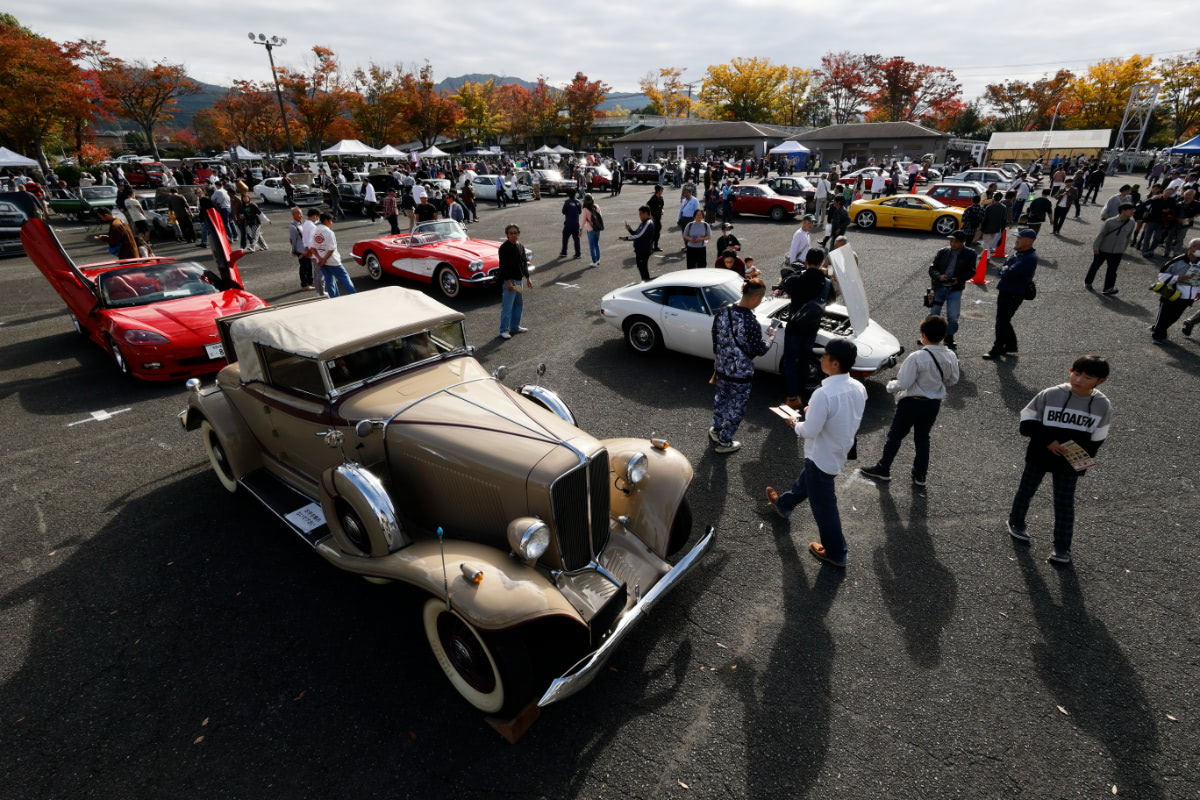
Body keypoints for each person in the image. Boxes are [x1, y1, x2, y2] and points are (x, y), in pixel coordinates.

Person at [765, 338, 867, 569]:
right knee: (806, 482)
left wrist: (794, 423)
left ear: (835, 364)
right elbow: (845, 415)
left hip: (821, 455)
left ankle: (836, 552)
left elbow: (809, 431)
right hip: (837, 450)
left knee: (824, 507)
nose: (821, 358)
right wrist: (814, 413)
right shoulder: (858, 388)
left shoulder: (823, 394)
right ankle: (783, 504)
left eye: (825, 356)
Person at [1006, 355, 1112, 566]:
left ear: (1100, 381)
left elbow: (1098, 438)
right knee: (1027, 489)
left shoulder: (1102, 405)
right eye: (1076, 373)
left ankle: (1062, 547)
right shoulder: (1051, 394)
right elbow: (1026, 421)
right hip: (1041, 452)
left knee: (1064, 503)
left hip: (1071, 459)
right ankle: (1016, 522)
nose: (1079, 380)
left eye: (1087, 377)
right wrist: (1048, 441)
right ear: (1070, 370)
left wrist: (1080, 458)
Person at [860, 316, 960, 486]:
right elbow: (953, 380)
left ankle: (883, 468)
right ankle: (920, 475)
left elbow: (904, 383)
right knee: (922, 438)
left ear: (923, 335)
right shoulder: (950, 355)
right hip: (932, 404)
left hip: (911, 403)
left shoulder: (916, 357)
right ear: (943, 336)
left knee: (895, 436)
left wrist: (890, 385)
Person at [709, 278, 775, 454]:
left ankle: (716, 430)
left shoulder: (723, 310)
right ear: (755, 298)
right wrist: (771, 337)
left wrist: (718, 357)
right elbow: (760, 349)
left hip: (722, 368)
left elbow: (715, 335)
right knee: (736, 407)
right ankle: (724, 442)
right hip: (741, 374)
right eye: (760, 300)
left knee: (721, 399)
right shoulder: (750, 321)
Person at [775, 247, 832, 408]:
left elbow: (782, 287)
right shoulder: (826, 283)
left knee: (790, 361)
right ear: (821, 263)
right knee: (805, 360)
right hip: (812, 327)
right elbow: (830, 300)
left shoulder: (796, 279)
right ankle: (801, 392)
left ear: (806, 261)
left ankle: (792, 396)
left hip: (794, 326)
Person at [983, 228, 1039, 360]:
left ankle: (997, 349)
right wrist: (1005, 269)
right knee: (1003, 320)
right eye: (1017, 237)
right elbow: (1001, 268)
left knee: (1002, 321)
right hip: (1007, 290)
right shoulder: (1018, 254)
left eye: (1020, 238)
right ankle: (1010, 345)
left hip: (1013, 293)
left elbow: (1008, 272)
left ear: (1030, 241)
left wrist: (1005, 269)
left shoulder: (1029, 258)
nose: (1017, 240)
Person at [927, 231, 974, 349]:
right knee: (933, 313)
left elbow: (971, 271)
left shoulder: (970, 254)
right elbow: (932, 268)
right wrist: (939, 276)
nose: (952, 243)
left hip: (955, 289)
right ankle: (929, 336)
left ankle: (949, 337)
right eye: (951, 241)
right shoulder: (943, 251)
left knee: (953, 316)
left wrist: (959, 279)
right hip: (938, 287)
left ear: (963, 242)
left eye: (956, 241)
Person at [1152, 237, 1200, 343]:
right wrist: (1177, 278)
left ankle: (1159, 328)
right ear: (1190, 248)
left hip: (1188, 296)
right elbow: (1161, 275)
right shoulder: (1177, 261)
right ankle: (1158, 335)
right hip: (1172, 293)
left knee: (1175, 317)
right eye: (1199, 248)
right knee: (1164, 314)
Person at [1084, 203, 1136, 294]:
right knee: (1095, 266)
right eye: (1130, 210)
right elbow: (1101, 234)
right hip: (1103, 249)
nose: (1132, 212)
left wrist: (1123, 249)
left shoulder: (1131, 223)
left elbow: (1128, 237)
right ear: (1123, 210)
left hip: (1117, 251)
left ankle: (1108, 288)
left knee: (1112, 270)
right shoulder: (1110, 221)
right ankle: (1088, 282)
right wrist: (1096, 247)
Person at [497, 224, 532, 339]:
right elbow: (503, 267)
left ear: (518, 234)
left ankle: (515, 326)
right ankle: (504, 330)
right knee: (507, 306)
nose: (513, 235)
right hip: (511, 281)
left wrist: (527, 278)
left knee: (518, 304)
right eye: (510, 233)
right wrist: (507, 282)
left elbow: (524, 264)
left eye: (515, 233)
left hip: (519, 280)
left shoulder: (520, 246)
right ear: (507, 235)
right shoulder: (504, 248)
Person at [312, 212, 356, 298]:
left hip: (321, 262)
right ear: (326, 221)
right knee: (345, 278)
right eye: (331, 220)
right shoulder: (329, 232)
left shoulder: (315, 231)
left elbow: (312, 248)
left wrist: (319, 258)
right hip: (333, 261)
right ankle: (353, 296)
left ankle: (334, 298)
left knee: (329, 280)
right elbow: (331, 249)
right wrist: (324, 259)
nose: (331, 223)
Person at [621, 206, 655, 281]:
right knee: (641, 267)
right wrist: (630, 229)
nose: (639, 216)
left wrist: (627, 238)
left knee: (643, 269)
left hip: (644, 250)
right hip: (639, 250)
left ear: (645, 213)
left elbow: (639, 236)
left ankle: (646, 284)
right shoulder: (643, 223)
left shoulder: (648, 223)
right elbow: (635, 233)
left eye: (640, 214)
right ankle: (645, 282)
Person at [289, 206, 314, 290]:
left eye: (301, 213)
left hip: (307, 249)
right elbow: (293, 240)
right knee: (304, 267)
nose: (301, 215)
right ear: (294, 215)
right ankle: (304, 284)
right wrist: (294, 250)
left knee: (309, 266)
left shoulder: (302, 224)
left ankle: (310, 281)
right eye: (299, 214)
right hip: (301, 250)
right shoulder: (293, 226)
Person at [304, 208, 324, 295]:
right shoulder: (313, 227)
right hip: (315, 253)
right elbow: (312, 241)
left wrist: (307, 250)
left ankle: (318, 291)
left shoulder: (305, 224)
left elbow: (305, 240)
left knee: (316, 272)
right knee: (320, 273)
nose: (317, 219)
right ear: (315, 216)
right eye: (317, 217)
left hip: (310, 252)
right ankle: (321, 292)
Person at [560, 189, 582, 259]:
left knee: (565, 238)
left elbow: (563, 211)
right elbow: (580, 212)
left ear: (569, 194)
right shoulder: (579, 202)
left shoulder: (567, 202)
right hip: (576, 223)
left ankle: (564, 252)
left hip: (568, 223)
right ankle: (578, 253)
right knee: (576, 239)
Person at [581, 194, 602, 267]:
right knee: (596, 244)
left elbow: (583, 221)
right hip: (597, 228)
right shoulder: (597, 206)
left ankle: (594, 261)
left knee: (592, 246)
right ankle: (598, 259)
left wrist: (580, 230)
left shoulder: (585, 210)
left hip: (590, 229)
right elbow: (600, 216)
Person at [647, 185, 665, 251]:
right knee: (652, 233)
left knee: (657, 232)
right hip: (653, 219)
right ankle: (650, 247)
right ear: (658, 191)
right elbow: (647, 207)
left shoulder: (661, 198)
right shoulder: (653, 198)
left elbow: (662, 206)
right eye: (661, 190)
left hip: (658, 218)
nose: (662, 191)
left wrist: (662, 210)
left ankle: (656, 246)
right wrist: (650, 216)